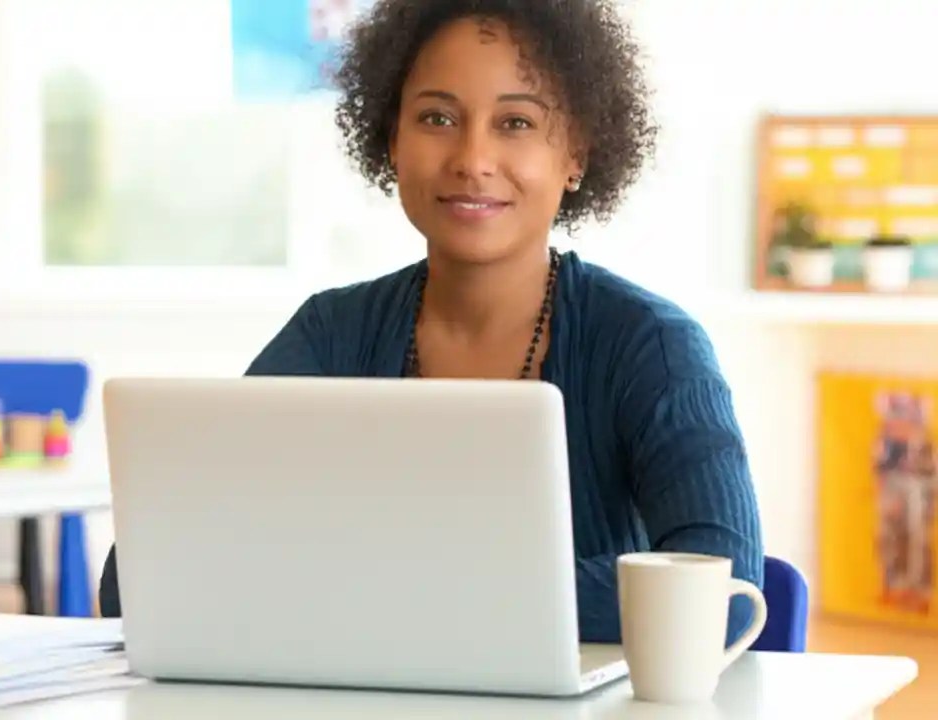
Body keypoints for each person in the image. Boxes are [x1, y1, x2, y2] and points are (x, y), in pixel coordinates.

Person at [99, 0, 764, 645]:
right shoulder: (333, 334)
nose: (471, 159)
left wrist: (379, 594)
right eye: (438, 117)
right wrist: (441, 598)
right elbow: (137, 580)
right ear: (391, 139)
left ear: (576, 155)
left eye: (516, 123)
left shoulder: (651, 346)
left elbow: (722, 593)